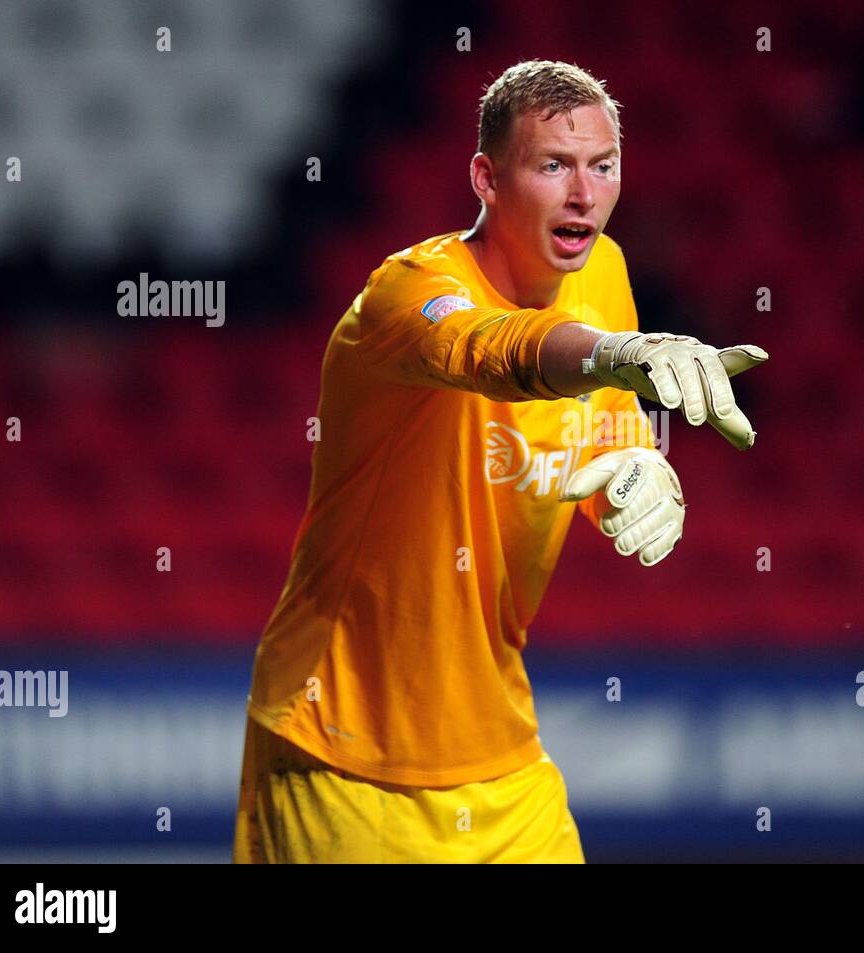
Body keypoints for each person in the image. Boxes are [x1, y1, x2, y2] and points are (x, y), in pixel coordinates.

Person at [233, 59, 767, 863]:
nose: (584, 194)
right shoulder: (409, 295)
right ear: (486, 177)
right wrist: (620, 353)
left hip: (502, 760)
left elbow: (600, 432)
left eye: (603, 166)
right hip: (342, 756)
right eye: (553, 165)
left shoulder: (604, 274)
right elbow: (497, 352)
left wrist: (636, 469)